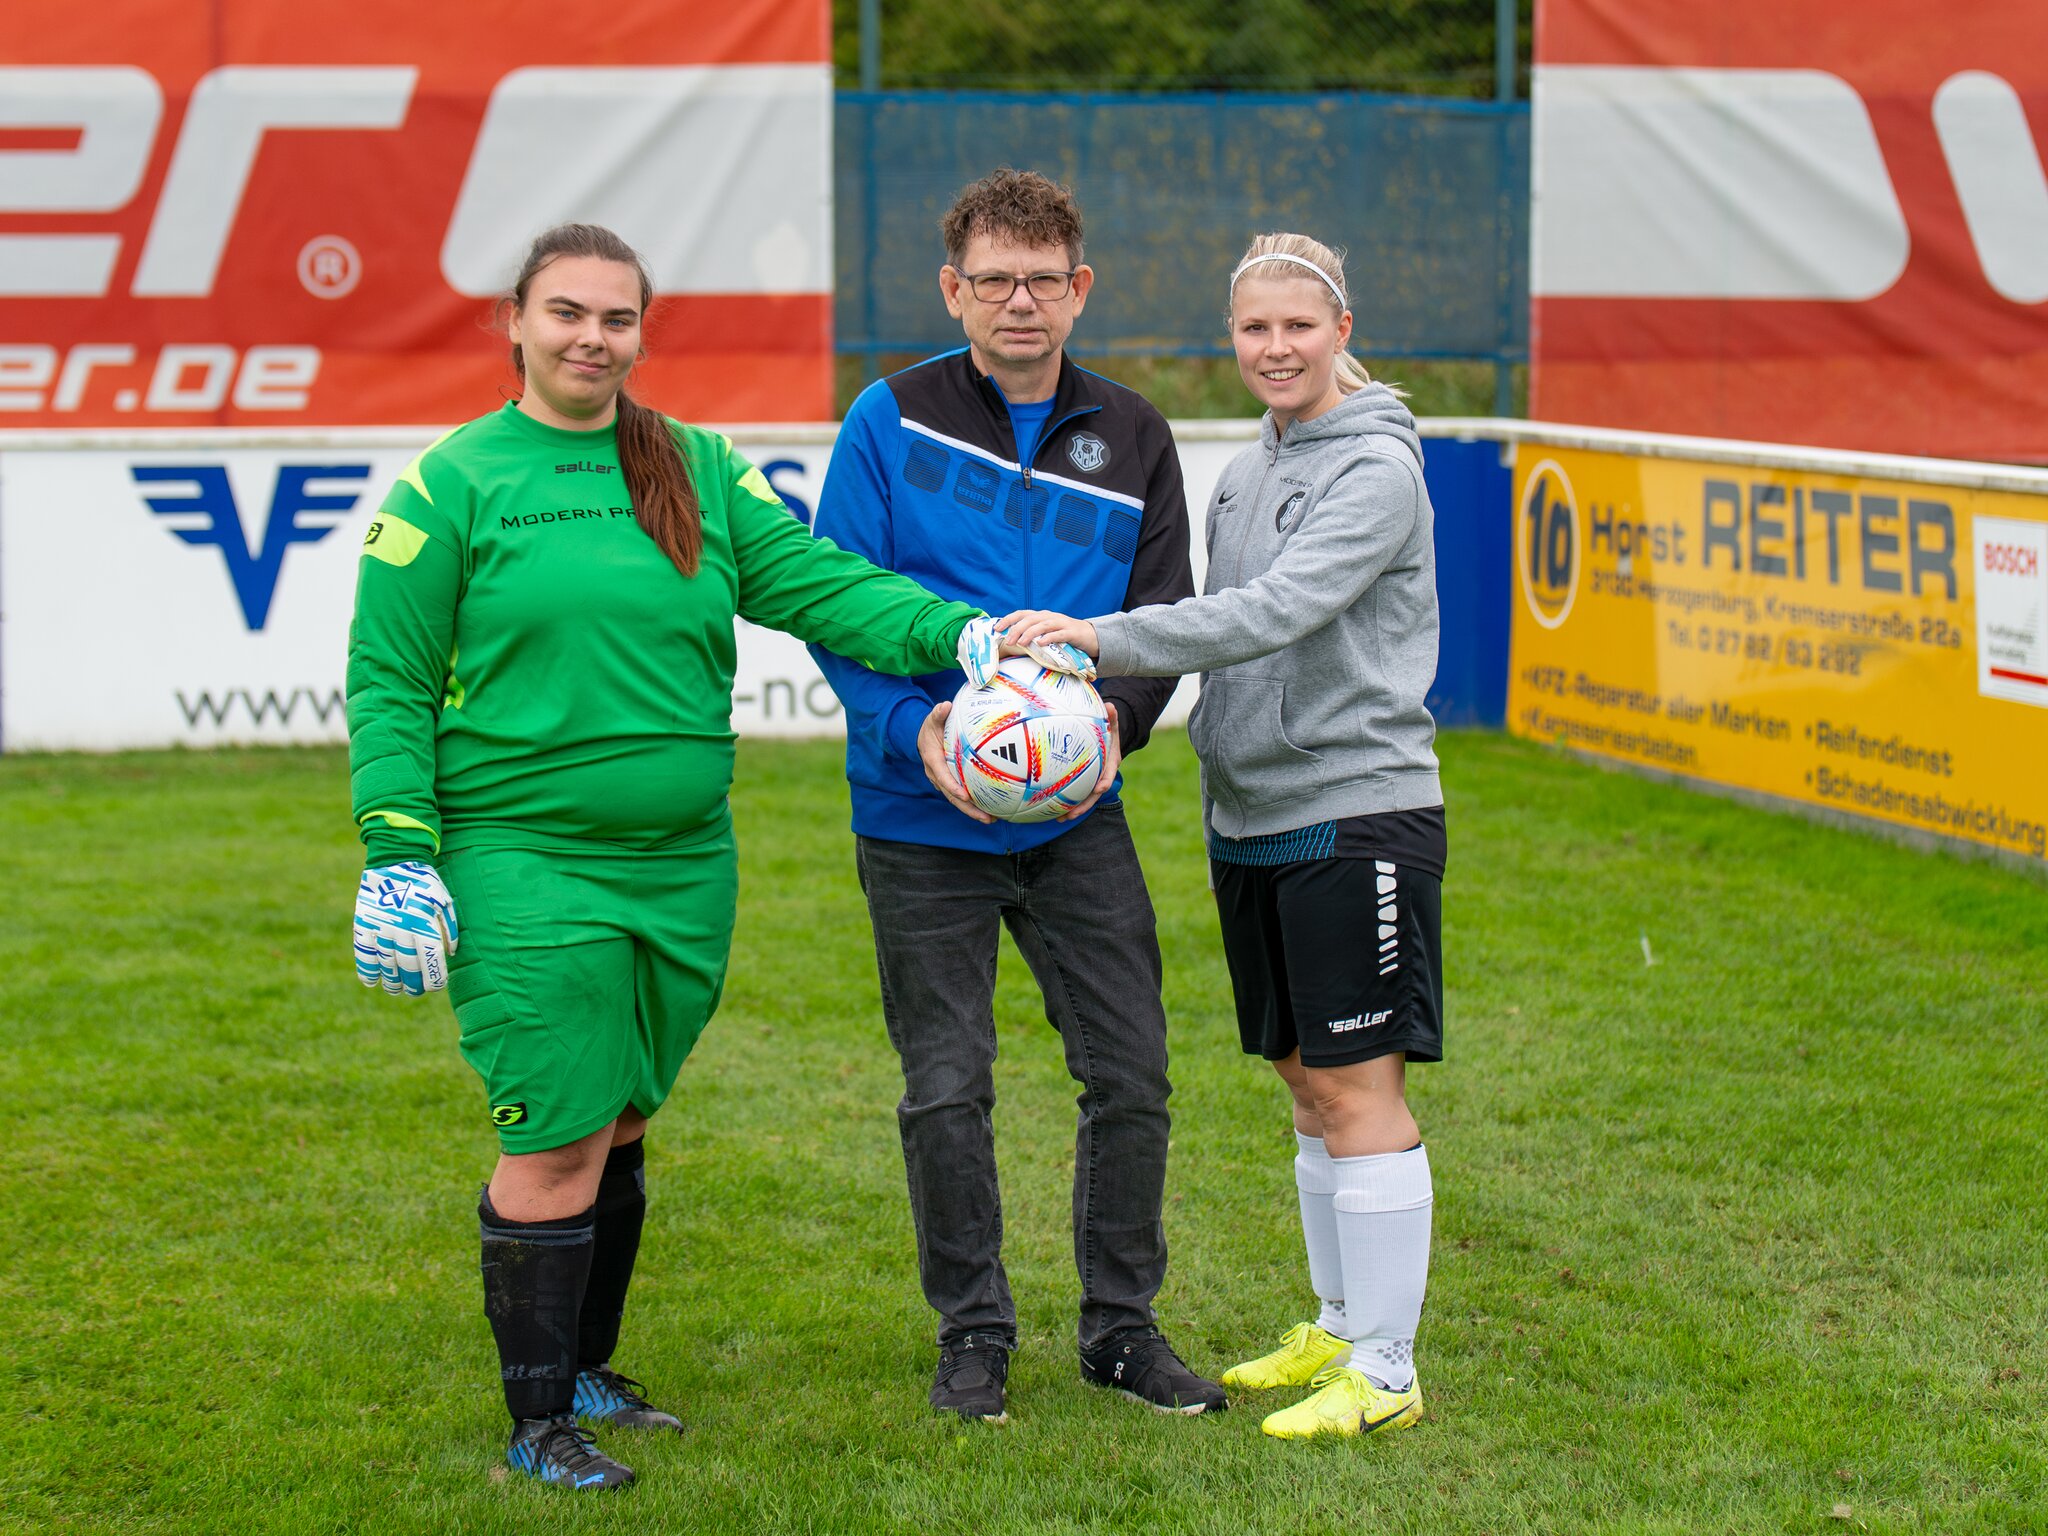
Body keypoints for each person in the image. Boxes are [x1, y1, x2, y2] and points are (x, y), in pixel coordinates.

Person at [346, 223, 992, 1490]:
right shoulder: (452, 484)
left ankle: (585, 1367)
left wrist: (957, 634)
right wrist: (395, 849)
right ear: (515, 323)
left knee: (627, 1111)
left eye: (616, 318)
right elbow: (388, 681)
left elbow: (816, 583)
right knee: (556, 1135)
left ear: (641, 331)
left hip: (684, 862)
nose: (592, 337)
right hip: (522, 859)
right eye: (567, 313)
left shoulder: (694, 466)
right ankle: (537, 1425)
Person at [1001, 231, 1445, 1441]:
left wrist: (1099, 638)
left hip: (1357, 807)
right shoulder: (1249, 471)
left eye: (1297, 325)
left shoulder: (1375, 471)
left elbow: (1271, 612)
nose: (1274, 348)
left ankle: (1387, 1372)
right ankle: (1339, 1324)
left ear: (1340, 328)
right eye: (1252, 328)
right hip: (1251, 816)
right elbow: (1230, 622)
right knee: (1305, 1086)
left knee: (1359, 1087)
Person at [807, 169, 1225, 1422]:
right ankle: (972, 1333)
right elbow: (833, 606)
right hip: (916, 815)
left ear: (1079, 288)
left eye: (1044, 280)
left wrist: (1108, 730)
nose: (1020, 303)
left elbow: (1160, 625)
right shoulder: (888, 420)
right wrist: (913, 727)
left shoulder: (1136, 433)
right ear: (954, 289)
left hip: (1075, 816)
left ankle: (1118, 1331)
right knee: (947, 1085)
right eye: (994, 279)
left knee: (1132, 1072)